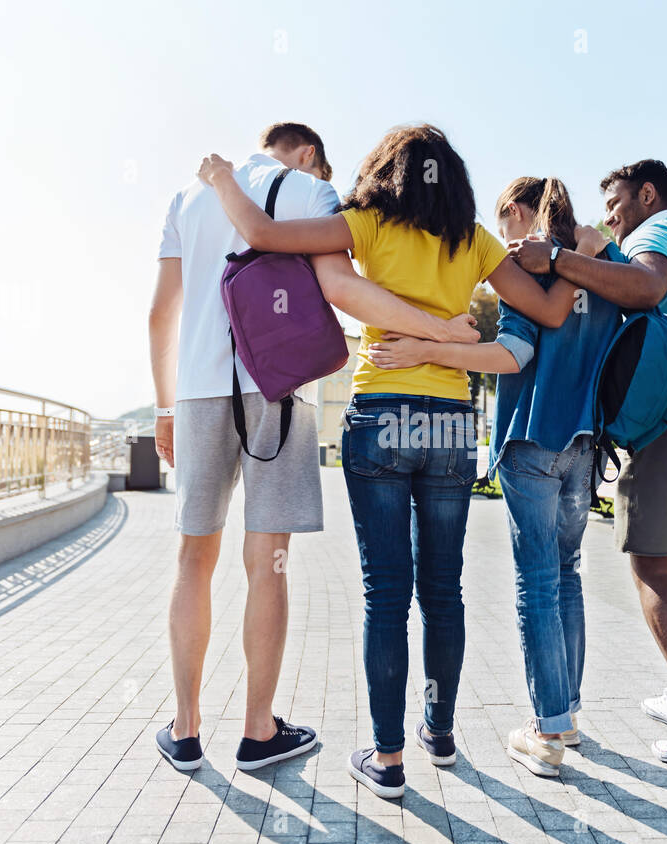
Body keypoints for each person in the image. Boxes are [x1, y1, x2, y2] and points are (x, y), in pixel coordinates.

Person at [197, 124, 600, 798]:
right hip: (447, 423)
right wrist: (575, 253)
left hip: (382, 416)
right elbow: (553, 312)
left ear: (385, 171)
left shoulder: (366, 221)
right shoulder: (471, 238)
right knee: (444, 589)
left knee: (387, 593)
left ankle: (387, 760)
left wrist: (220, 179)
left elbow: (262, 235)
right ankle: (438, 733)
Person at [370, 177, 667, 777]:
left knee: (537, 582)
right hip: (585, 447)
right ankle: (566, 716)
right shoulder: (604, 260)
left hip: (532, 439)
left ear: (517, 212)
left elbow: (514, 355)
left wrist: (426, 350)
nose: (503, 241)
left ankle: (545, 730)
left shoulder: (533, 265)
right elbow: (654, 322)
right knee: (566, 576)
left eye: (504, 221)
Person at [148, 122, 478, 774]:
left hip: (196, 393)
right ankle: (258, 729)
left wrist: (163, 406)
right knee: (266, 559)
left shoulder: (188, 196)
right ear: (307, 153)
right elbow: (343, 288)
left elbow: (162, 311)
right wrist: (440, 331)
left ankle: (185, 730)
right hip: (280, 389)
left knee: (194, 555)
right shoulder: (309, 191)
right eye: (323, 166)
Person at [512, 159, 667, 764]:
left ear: (649, 195)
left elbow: (645, 289)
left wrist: (560, 261)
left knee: (652, 569)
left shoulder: (656, 234)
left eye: (618, 203)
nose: (612, 218)